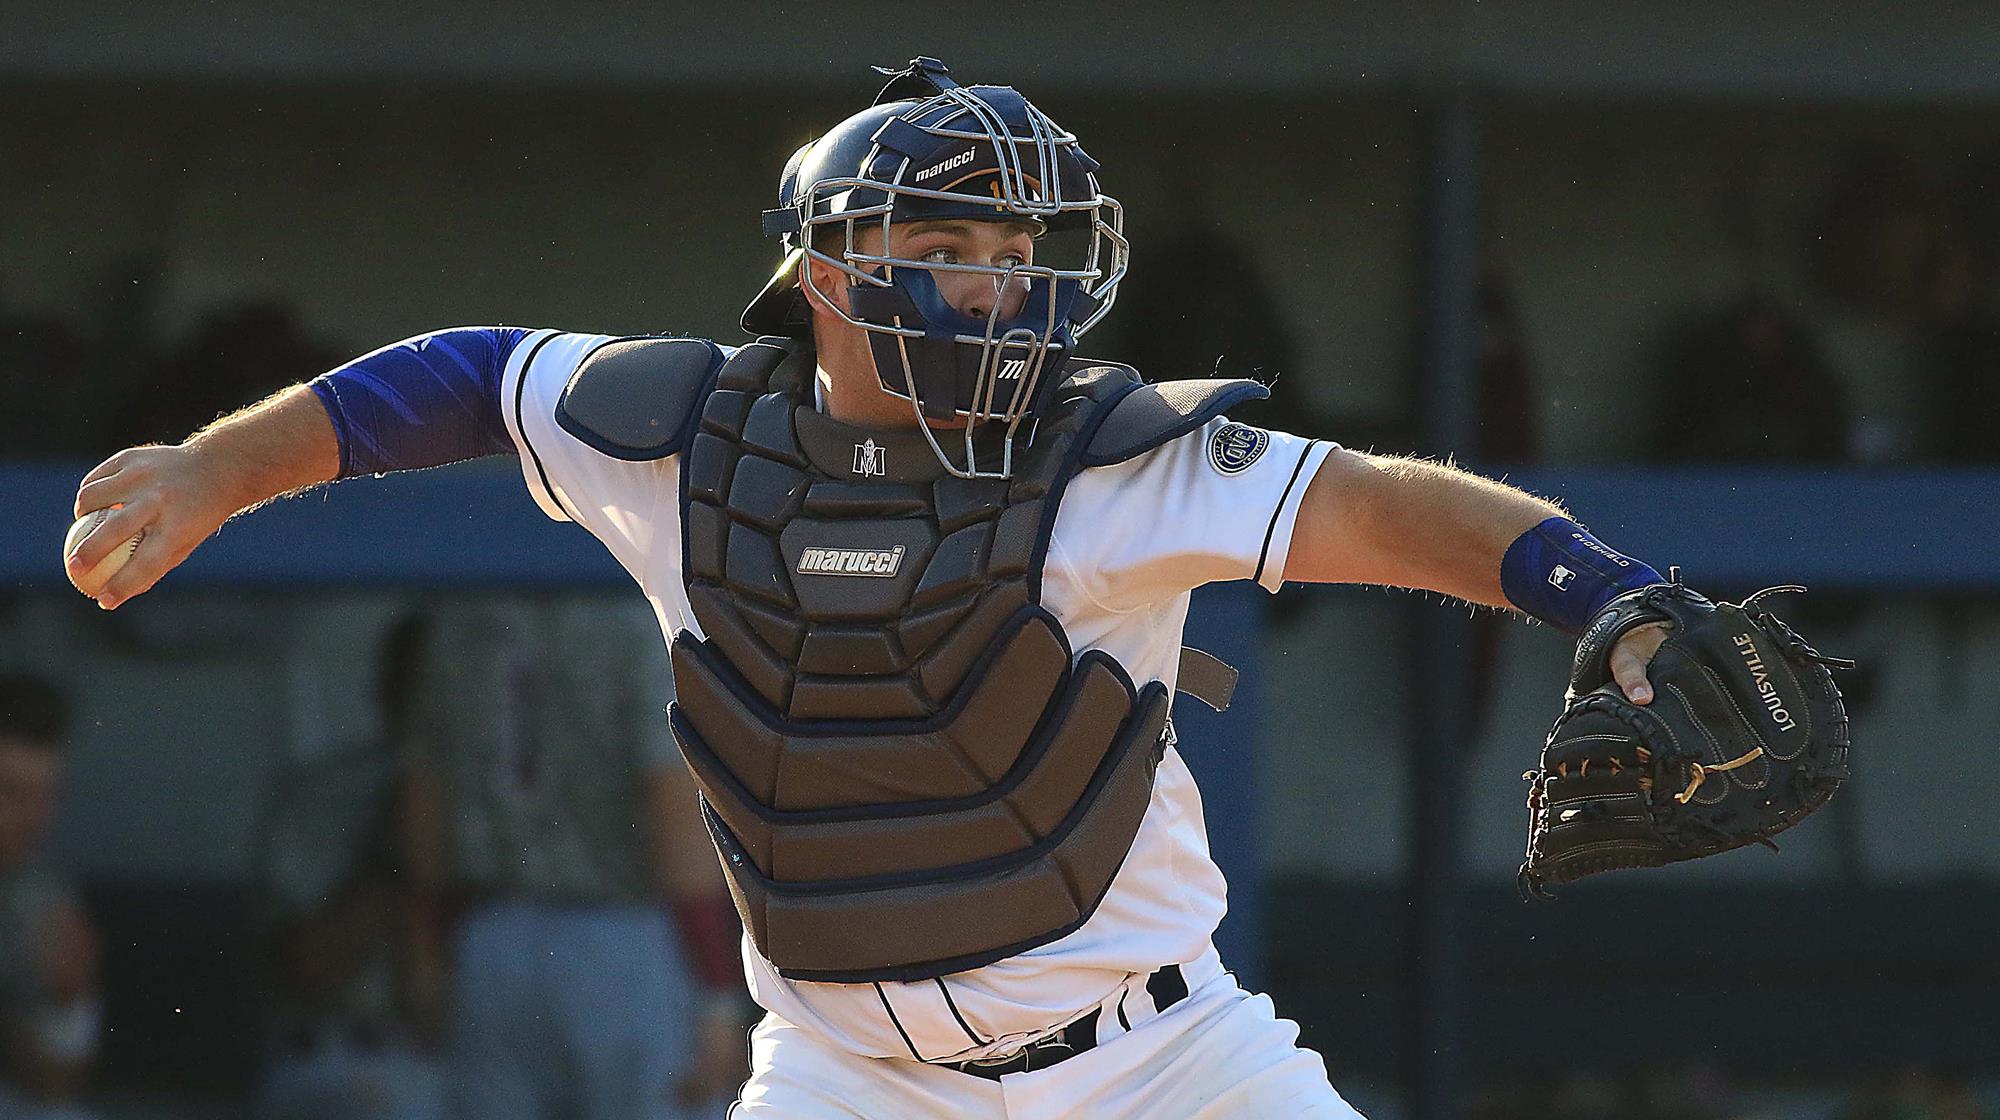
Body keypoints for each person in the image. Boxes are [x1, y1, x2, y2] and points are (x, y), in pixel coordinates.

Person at [66, 58, 1679, 1118]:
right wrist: (218, 468)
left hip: (1166, 1065)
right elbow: (466, 378)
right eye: (955, 246)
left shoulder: (1108, 456)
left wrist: (1600, 594)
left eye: (1020, 254)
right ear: (833, 269)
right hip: (847, 1077)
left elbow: (1388, 512)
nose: (1002, 286)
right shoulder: (683, 436)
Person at [397, 597, 747, 1120]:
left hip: (493, 938)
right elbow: (671, 798)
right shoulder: (627, 612)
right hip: (623, 941)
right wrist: (717, 989)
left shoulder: (459, 613)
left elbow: (422, 799)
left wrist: (428, 953)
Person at [0, 675, 103, 1120]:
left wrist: (70, 1004)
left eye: (46, 795)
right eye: (10, 793)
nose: (35, 818)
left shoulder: (36, 893)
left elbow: (55, 1085)